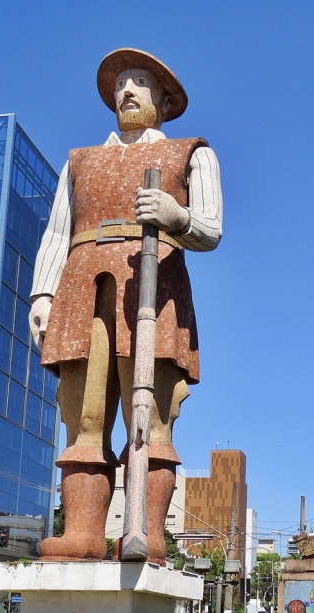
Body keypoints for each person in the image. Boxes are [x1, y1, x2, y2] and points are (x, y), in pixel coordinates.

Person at [29, 48, 223, 564]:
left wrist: (175, 215)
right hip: (82, 287)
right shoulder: (81, 161)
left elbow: (211, 229)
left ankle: (147, 535)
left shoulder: (190, 153)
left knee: (151, 417)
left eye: (140, 81)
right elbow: (56, 233)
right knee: (84, 416)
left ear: (163, 98)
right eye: (121, 83)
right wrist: (43, 293)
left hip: (154, 289)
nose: (128, 90)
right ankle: (83, 533)